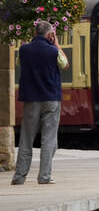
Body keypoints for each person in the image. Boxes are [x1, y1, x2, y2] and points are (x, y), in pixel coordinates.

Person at [11, 20, 69, 185]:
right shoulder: (53, 51)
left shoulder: (24, 50)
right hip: (51, 99)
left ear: (35, 33)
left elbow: (19, 64)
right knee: (49, 140)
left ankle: (19, 177)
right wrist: (56, 43)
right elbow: (65, 64)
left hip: (31, 99)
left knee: (26, 140)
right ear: (50, 34)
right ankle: (44, 177)